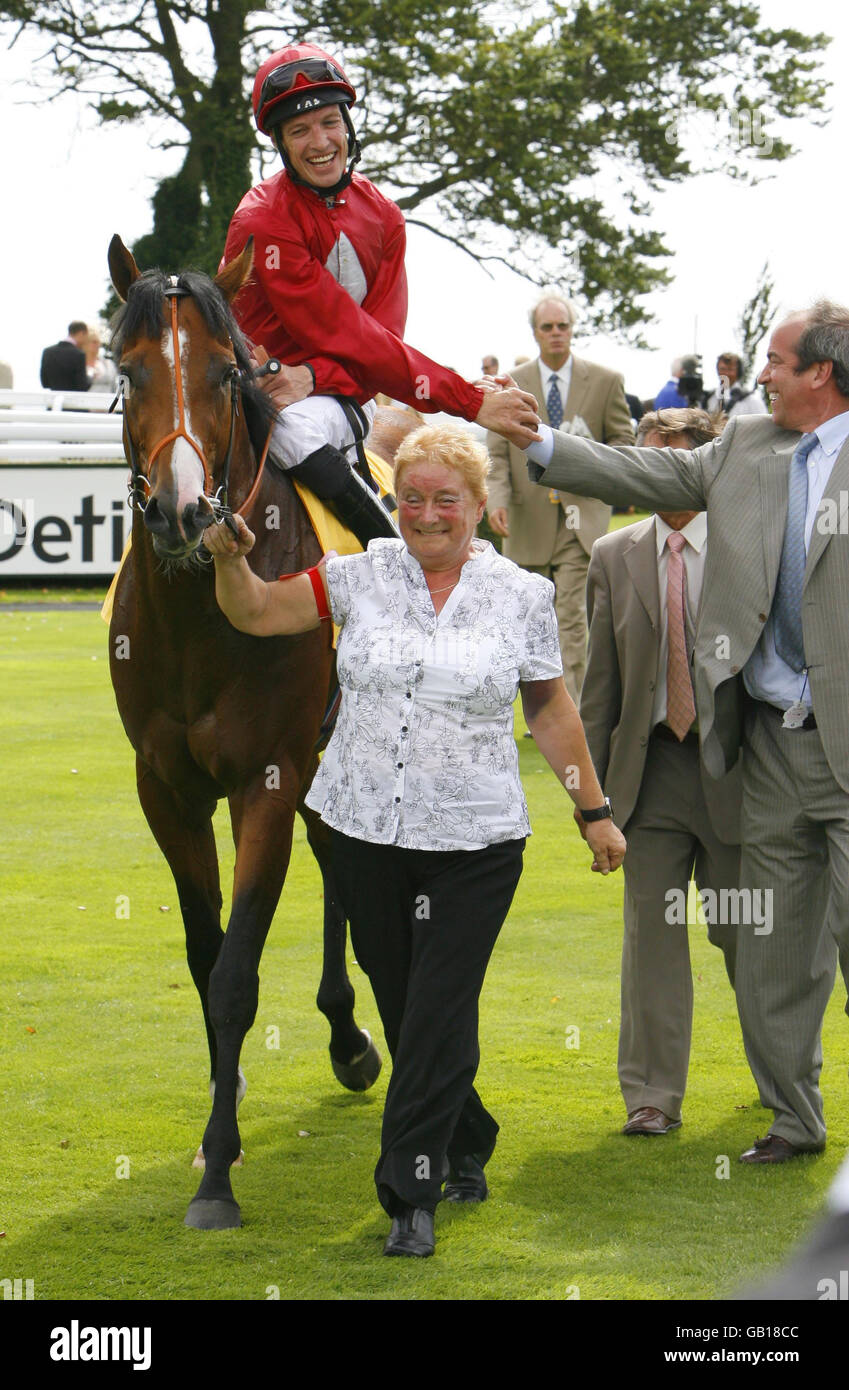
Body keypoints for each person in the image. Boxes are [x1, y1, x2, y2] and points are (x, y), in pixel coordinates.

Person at [205, 422, 626, 1256]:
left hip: (475, 841)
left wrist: (592, 810)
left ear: (479, 505)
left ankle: (411, 1191)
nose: (426, 515)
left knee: (435, 1009)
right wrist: (227, 556)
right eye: (411, 500)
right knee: (402, 1005)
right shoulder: (356, 576)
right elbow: (254, 610)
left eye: (445, 500)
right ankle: (469, 1134)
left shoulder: (520, 596)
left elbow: (547, 705)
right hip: (363, 831)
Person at [524, 299, 849, 1164]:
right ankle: (791, 1122)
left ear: (820, 371)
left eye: (777, 361)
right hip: (770, 747)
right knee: (773, 949)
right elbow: (644, 479)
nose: (762, 373)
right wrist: (540, 443)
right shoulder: (745, 448)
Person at [220, 43, 538, 548]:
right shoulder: (263, 220)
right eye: (299, 131)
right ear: (281, 144)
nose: (320, 141)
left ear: (348, 125)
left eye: (329, 122)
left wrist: (315, 376)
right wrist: (469, 399)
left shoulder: (385, 215)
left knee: (293, 432)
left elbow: (379, 341)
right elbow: (349, 334)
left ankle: (393, 558)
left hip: (343, 394)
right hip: (254, 397)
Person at [580, 408, 740, 1138]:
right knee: (651, 938)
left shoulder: (750, 546)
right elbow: (599, 692)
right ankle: (651, 1097)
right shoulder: (613, 556)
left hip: (740, 775)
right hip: (646, 780)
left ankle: (781, 1087)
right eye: (642, 461)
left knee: (752, 936)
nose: (651, 474)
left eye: (669, 460)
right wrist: (592, 804)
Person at [485, 292, 634, 700]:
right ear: (535, 332)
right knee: (529, 619)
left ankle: (575, 714)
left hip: (580, 517)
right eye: (547, 327)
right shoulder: (510, 383)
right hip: (525, 518)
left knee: (571, 619)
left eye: (562, 326)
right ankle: (538, 706)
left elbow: (623, 442)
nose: (556, 334)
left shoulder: (605, 381)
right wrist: (495, 499)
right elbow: (496, 452)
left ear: (572, 329)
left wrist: (600, 475)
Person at [705, 351, 767, 419]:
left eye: (730, 369)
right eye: (722, 369)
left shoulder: (751, 399)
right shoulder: (710, 398)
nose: (726, 373)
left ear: (738, 372)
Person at [40, 321, 91, 392]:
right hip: (73, 400)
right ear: (81, 333)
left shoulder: (47, 352)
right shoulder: (79, 354)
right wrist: (90, 377)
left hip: (53, 399)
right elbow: (82, 386)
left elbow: (45, 383)